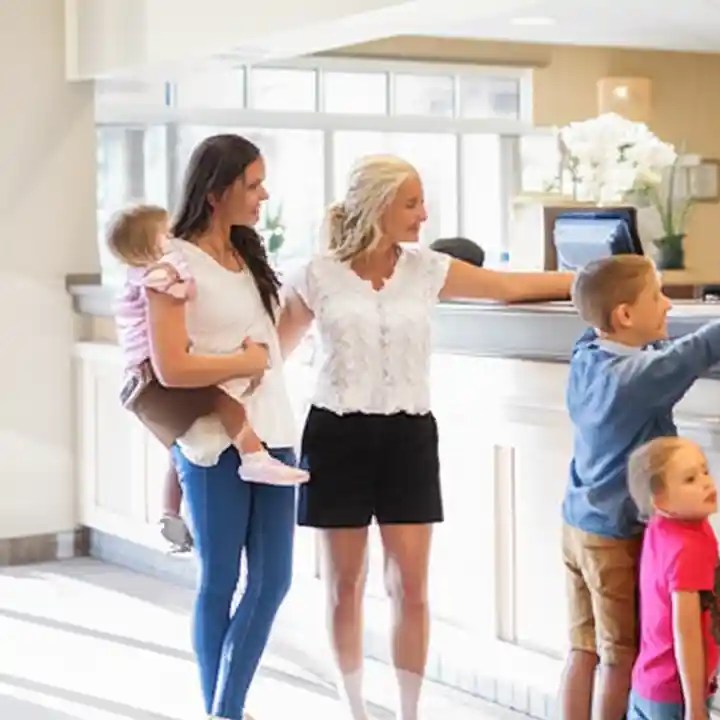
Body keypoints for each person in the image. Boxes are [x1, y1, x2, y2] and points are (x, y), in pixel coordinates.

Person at [275, 154, 574, 720]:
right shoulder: (314, 273)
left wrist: (590, 279)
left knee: (410, 586)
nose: (423, 213)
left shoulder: (428, 268)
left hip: (409, 436)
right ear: (378, 206)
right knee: (344, 583)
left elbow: (508, 288)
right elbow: (274, 351)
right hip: (335, 435)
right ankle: (355, 706)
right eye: (411, 203)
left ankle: (410, 711)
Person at [558, 254, 720, 720]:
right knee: (619, 656)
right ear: (625, 315)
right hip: (613, 535)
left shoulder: (587, 354)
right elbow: (696, 351)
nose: (668, 305)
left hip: (575, 523)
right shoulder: (638, 379)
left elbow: (604, 325)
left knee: (582, 648)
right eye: (657, 296)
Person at [147, 134, 303, 720]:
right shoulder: (173, 267)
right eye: (254, 184)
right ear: (217, 192)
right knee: (220, 581)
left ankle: (222, 711)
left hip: (275, 432)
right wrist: (242, 362)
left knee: (274, 580)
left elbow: (271, 344)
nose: (264, 195)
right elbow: (172, 366)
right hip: (212, 443)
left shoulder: (249, 254)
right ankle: (228, 712)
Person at [107, 203, 308, 539]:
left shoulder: (136, 274)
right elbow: (178, 294)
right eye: (166, 232)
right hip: (152, 373)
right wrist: (191, 282)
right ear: (149, 245)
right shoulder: (158, 273)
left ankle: (170, 512)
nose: (173, 238)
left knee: (179, 447)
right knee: (223, 402)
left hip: (140, 374)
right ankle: (253, 454)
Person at [626, 436, 720, 720]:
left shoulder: (664, 527)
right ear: (662, 501)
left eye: (705, 471)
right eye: (690, 479)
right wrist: (694, 706)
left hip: (649, 682)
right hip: (674, 693)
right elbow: (687, 632)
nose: (706, 482)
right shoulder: (686, 549)